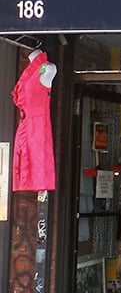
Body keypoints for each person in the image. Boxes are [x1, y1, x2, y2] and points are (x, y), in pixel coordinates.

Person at [12, 48, 57, 191]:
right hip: (26, 124)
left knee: (36, 159)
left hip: (37, 124)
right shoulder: (31, 70)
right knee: (25, 158)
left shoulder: (47, 68)